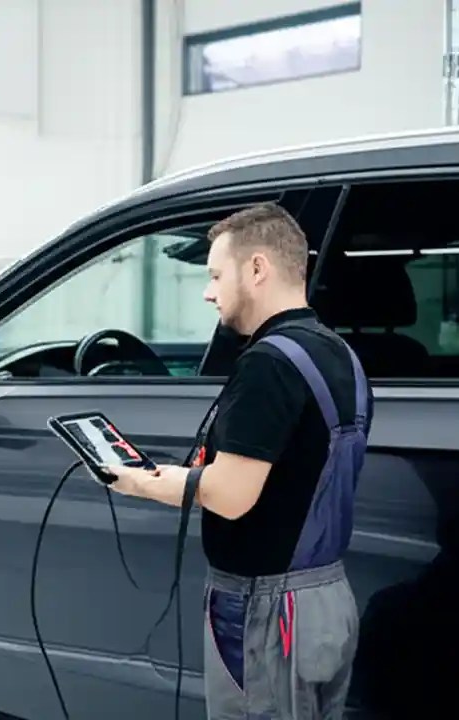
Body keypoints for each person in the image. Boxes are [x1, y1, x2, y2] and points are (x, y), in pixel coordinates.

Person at [103, 203, 373, 719]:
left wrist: (136, 482)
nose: (209, 291)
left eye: (216, 274)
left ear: (257, 269)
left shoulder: (268, 365)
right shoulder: (340, 355)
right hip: (327, 599)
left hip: (267, 611)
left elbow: (230, 494)